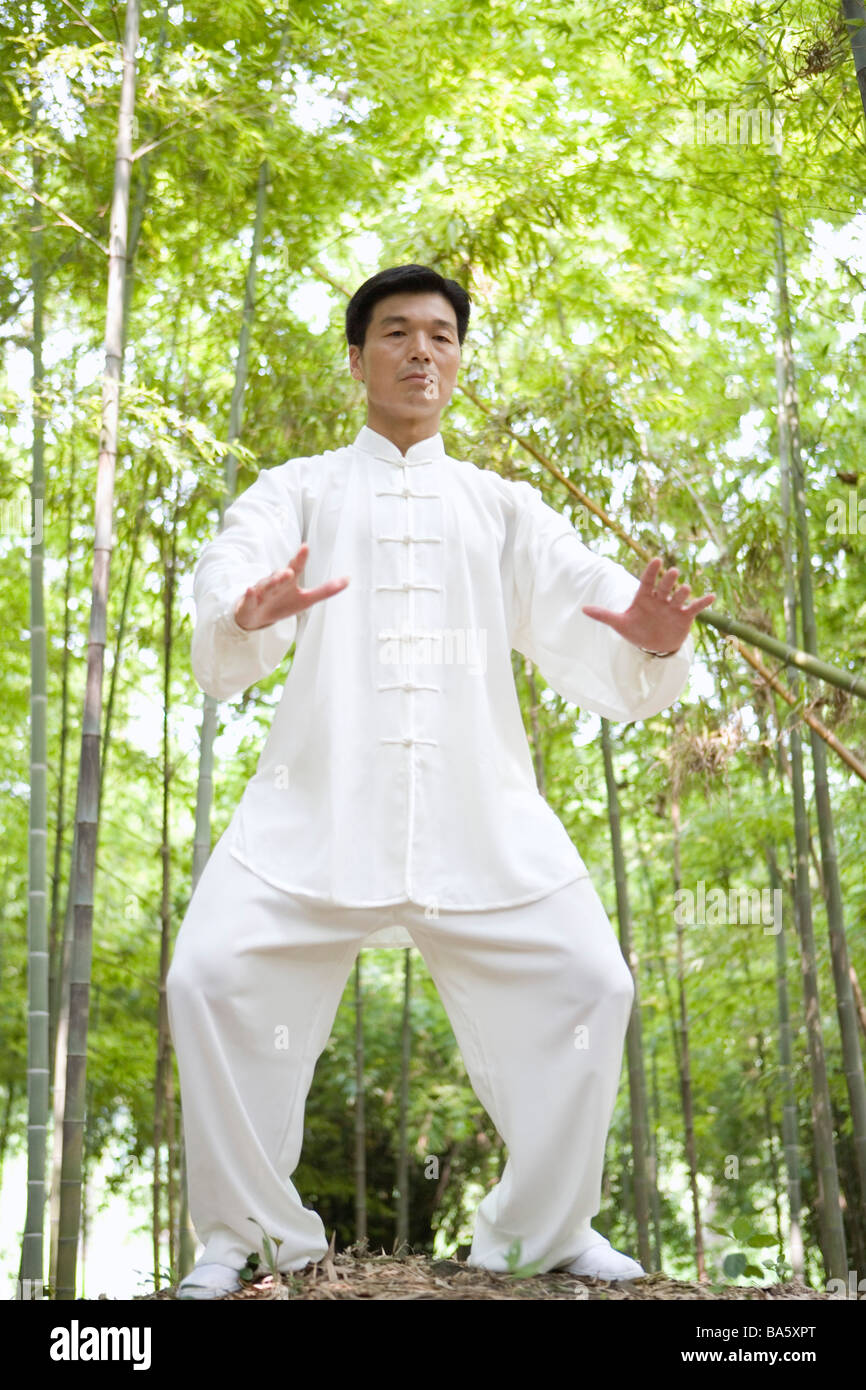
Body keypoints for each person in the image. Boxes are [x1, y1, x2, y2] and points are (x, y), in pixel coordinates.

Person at [167, 264, 715, 1299]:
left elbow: (580, 586)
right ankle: (246, 1234)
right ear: (357, 357)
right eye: (395, 333)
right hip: (312, 812)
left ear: (459, 359)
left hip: (481, 814)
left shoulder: (498, 506)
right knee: (205, 980)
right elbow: (231, 568)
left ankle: (537, 1232)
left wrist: (645, 630)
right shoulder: (300, 490)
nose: (421, 350)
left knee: (593, 988)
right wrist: (250, 605)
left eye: (441, 335)